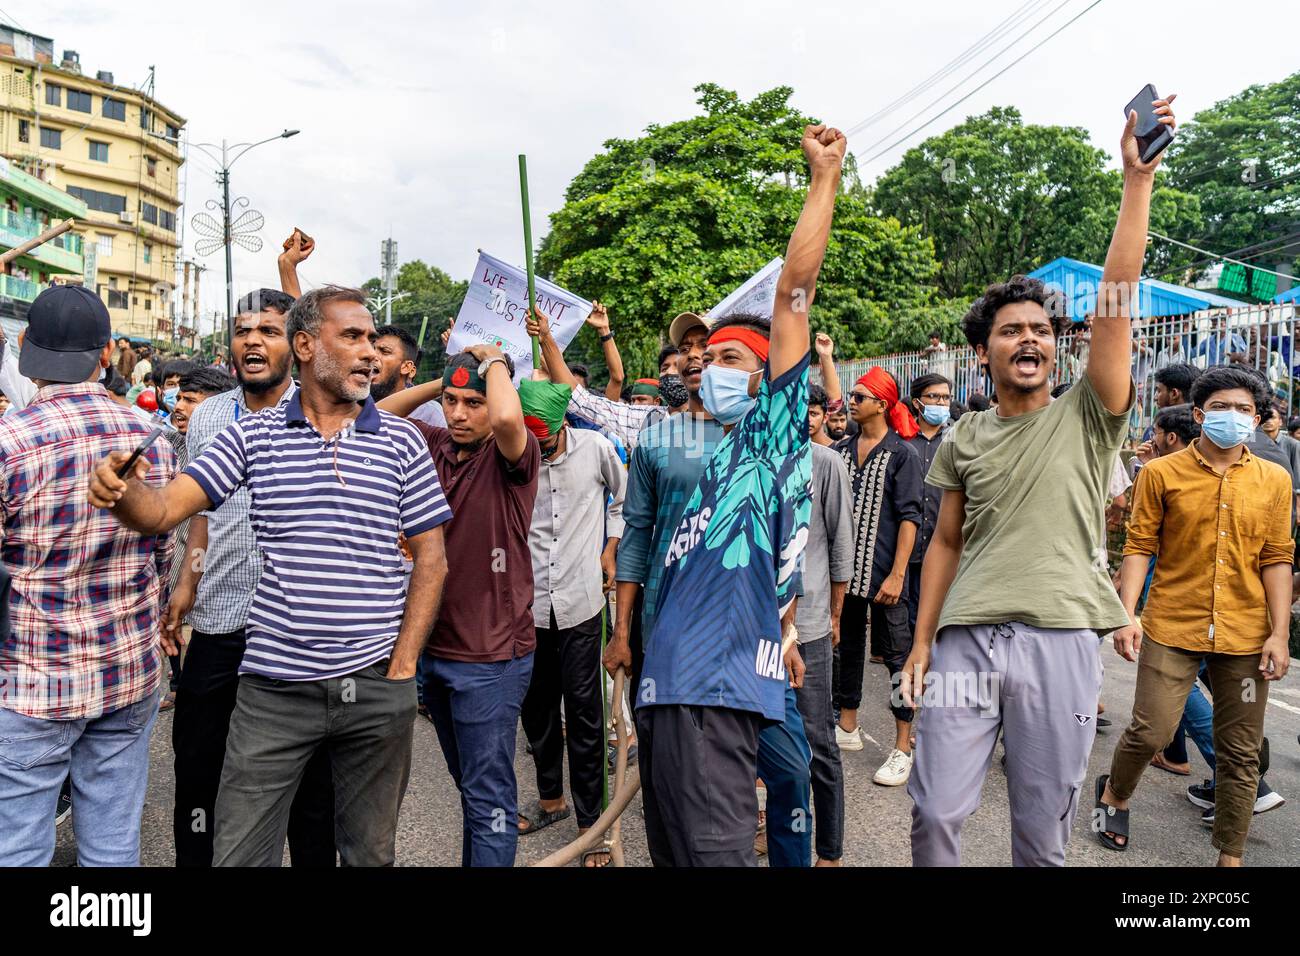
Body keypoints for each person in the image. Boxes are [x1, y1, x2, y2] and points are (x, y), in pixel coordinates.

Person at [901, 95, 1178, 867]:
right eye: (1011, 330)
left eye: (1041, 330)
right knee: (934, 811)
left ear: (1056, 349)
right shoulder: (962, 433)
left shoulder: (1090, 415)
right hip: (963, 644)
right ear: (983, 353)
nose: (1029, 339)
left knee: (1041, 829)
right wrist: (922, 644)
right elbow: (946, 541)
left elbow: (1118, 305)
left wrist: (1137, 181)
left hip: (1060, 644)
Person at [90, 285, 453, 867]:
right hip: (274, 690)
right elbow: (163, 510)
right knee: (238, 853)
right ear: (306, 346)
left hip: (376, 688)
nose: (371, 353)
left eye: (374, 341)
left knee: (368, 854)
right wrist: (123, 492)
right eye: (354, 337)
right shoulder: (248, 437)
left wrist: (405, 665)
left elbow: (432, 559)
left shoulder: (403, 441)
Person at [615, 122, 844, 866]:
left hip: (714, 690)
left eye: (730, 357)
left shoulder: (772, 435)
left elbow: (794, 295)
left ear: (767, 376)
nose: (709, 366)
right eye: (704, 356)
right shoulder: (698, 455)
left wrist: (823, 180)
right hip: (673, 687)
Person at [0, 286, 175, 866]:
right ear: (106, 355)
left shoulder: (9, 444)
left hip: (31, 681)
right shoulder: (153, 440)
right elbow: (163, 552)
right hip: (127, 670)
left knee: (19, 848)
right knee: (112, 846)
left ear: (26, 350)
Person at [160, 289, 336, 867]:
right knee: (199, 772)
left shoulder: (326, 415)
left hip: (295, 632)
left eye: (269, 330)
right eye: (242, 331)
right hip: (219, 623)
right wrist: (187, 585)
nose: (253, 341)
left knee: (310, 790)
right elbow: (200, 514)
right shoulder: (209, 415)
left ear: (299, 345)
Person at [1097, 365, 1292, 865]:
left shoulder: (1273, 479)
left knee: (1241, 750)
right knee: (1152, 731)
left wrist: (1279, 633)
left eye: (1245, 409)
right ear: (1201, 414)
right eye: (1224, 408)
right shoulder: (1162, 473)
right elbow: (1139, 546)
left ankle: (1231, 856)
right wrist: (1127, 614)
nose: (1235, 417)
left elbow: (1276, 557)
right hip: (1172, 624)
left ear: (1257, 417)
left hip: (1245, 634)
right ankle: (1116, 793)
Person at [391, 344, 539, 867]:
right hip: (436, 650)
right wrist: (440, 382)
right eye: (450, 402)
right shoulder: (433, 443)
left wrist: (494, 360)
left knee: (488, 798)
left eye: (471, 402)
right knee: (472, 794)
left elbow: (504, 415)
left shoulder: (512, 456)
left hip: (492, 656)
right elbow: (375, 414)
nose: (457, 413)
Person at [515, 377, 625, 866]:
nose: (539, 449)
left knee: (585, 715)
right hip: (529, 605)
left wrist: (611, 547)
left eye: (546, 440)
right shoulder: (514, 453)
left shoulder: (596, 447)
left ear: (563, 424)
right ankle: (550, 801)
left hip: (582, 602)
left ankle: (592, 826)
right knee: (536, 710)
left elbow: (626, 501)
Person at [832, 368, 922, 788]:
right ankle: (846, 727)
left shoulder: (902, 454)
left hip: (885, 577)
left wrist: (899, 574)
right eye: (852, 395)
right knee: (846, 650)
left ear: (882, 404)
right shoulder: (842, 450)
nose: (852, 401)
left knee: (896, 659)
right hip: (845, 576)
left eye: (860, 396)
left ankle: (903, 746)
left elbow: (910, 518)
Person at [157, 364, 236, 713]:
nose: (180, 407)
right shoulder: (168, 444)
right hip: (177, 569)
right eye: (178, 398)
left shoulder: (233, 454)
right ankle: (179, 684)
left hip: (214, 579)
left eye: (191, 400)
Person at [793, 425, 853, 866]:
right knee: (762, 741)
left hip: (809, 625)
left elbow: (840, 545)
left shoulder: (825, 462)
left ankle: (829, 853)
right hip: (754, 628)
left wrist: (835, 615)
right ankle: (779, 827)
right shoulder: (742, 455)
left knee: (817, 742)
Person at [906, 372, 953, 632]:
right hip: (910, 549)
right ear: (917, 402)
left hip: (944, 545)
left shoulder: (956, 440)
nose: (941, 403)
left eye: (945, 397)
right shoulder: (903, 440)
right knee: (911, 617)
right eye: (934, 397)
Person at [371, 324, 421, 402]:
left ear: (406, 367)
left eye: (385, 351)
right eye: (371, 349)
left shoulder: (427, 412)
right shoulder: (351, 406)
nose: (372, 355)